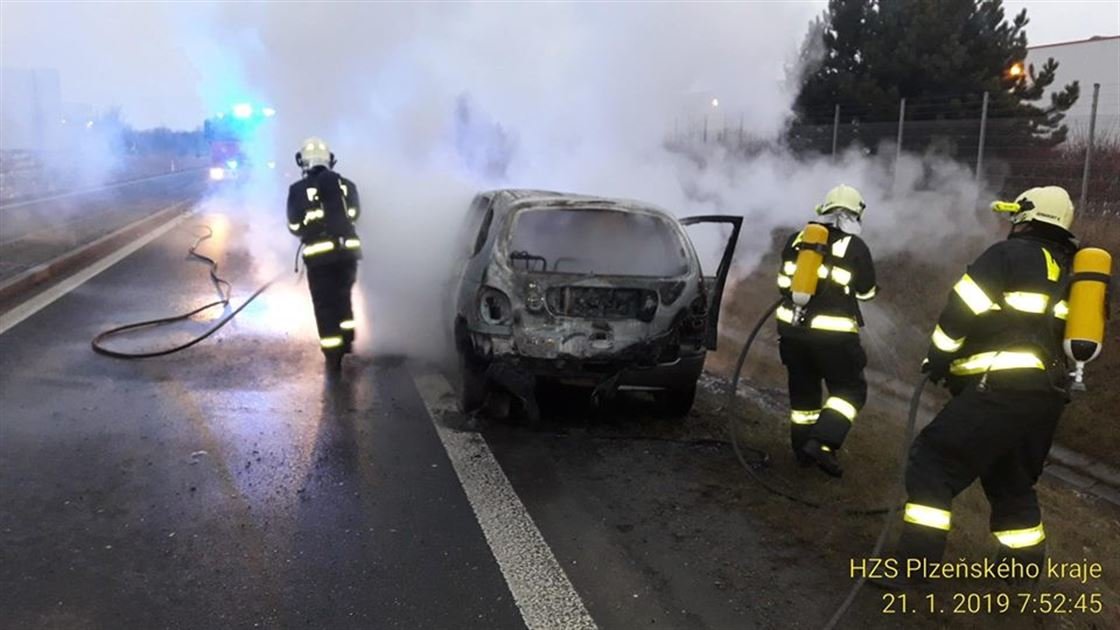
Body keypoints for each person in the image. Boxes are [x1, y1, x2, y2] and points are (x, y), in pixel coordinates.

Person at [884, 186, 1079, 588]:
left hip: (1002, 387)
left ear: (1029, 217)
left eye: (1017, 216)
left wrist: (939, 357)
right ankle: (1021, 570)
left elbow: (961, 312)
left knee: (932, 461)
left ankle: (914, 567)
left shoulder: (1006, 256)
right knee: (1010, 478)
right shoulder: (1071, 270)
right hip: (1046, 396)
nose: (1012, 223)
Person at [775, 184, 878, 478]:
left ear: (825, 211)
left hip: (793, 332)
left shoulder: (797, 240)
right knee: (850, 390)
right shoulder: (855, 246)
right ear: (855, 215)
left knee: (804, 395)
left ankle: (802, 454)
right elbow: (867, 292)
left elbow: (783, 285)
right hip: (834, 337)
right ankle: (822, 443)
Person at [287, 137, 362, 371]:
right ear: (330, 160)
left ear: (303, 162)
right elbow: (355, 214)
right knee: (343, 296)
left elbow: (294, 225)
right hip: (348, 253)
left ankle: (333, 354)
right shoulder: (347, 185)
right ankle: (348, 339)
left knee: (324, 305)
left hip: (320, 258)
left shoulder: (297, 190)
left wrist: (310, 231)